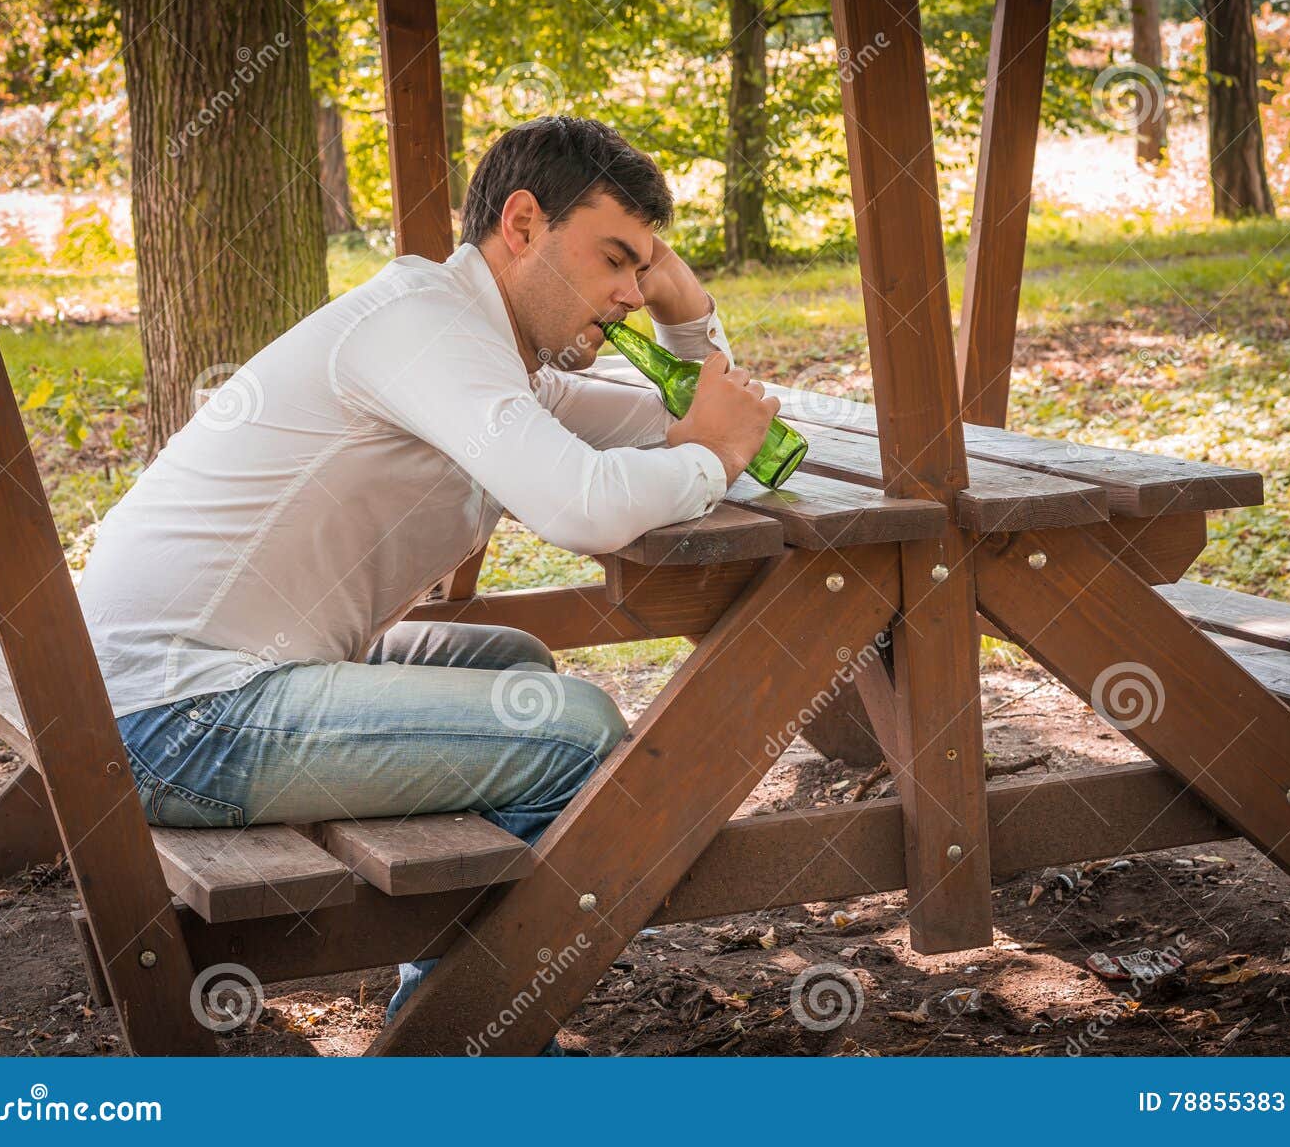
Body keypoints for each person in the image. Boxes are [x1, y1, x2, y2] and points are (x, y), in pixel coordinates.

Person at [76, 116, 778, 1051]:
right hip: (176, 715)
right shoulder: (423, 330)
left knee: (514, 665)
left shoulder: (494, 354)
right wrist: (712, 462)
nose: (625, 294)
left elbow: (709, 428)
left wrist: (684, 313)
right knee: (573, 729)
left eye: (640, 269)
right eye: (616, 258)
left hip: (171, 687)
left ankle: (441, 975)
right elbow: (584, 502)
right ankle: (452, 1029)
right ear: (522, 223)